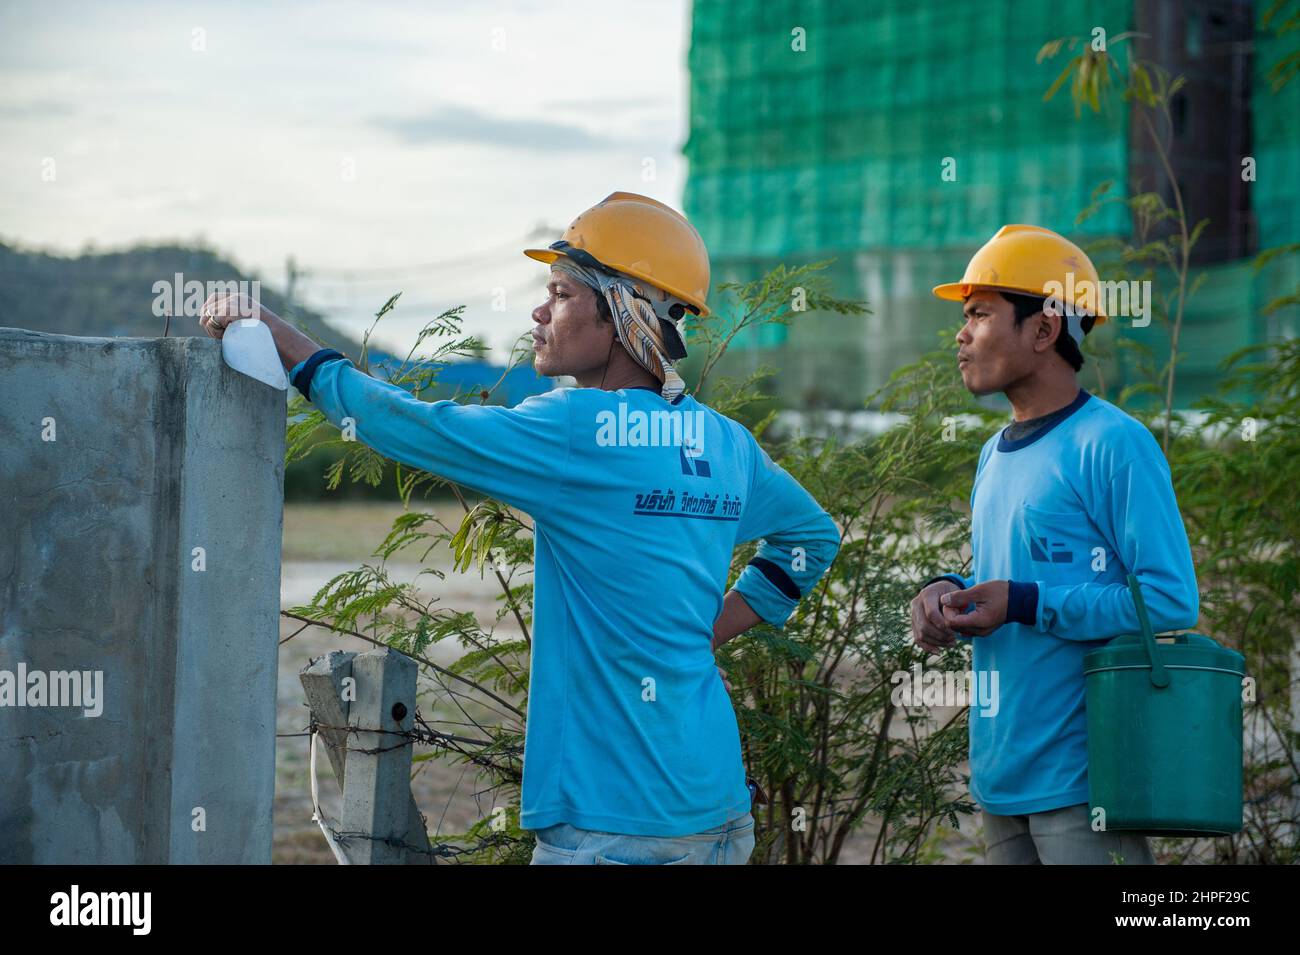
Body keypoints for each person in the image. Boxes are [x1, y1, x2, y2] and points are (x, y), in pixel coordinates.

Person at [201, 191, 840, 865]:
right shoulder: (726, 443)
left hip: (610, 825)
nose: (539, 311)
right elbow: (811, 538)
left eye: (560, 293)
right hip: (716, 813)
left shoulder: (575, 430)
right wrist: (702, 630)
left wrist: (291, 345)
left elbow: (411, 425)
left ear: (619, 311)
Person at [910, 224, 1199, 865]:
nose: (961, 335)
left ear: (1043, 330)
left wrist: (1025, 602)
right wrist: (948, 593)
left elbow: (1170, 600)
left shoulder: (1114, 444)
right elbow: (1015, 573)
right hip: (1000, 778)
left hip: (1084, 785)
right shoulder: (993, 452)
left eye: (979, 314)